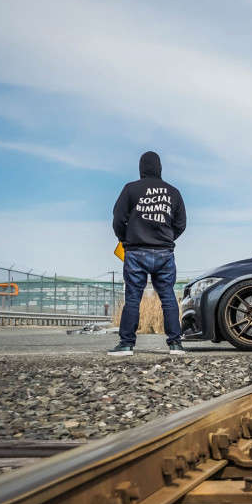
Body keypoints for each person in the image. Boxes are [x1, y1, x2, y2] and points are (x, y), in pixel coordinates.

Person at [109, 151, 187, 356]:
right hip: (164, 253)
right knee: (168, 297)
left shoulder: (131, 189)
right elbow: (181, 224)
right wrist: (167, 239)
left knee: (133, 298)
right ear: (160, 167)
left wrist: (125, 239)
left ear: (141, 168)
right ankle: (175, 344)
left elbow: (118, 219)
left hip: (136, 251)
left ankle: (126, 344)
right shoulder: (173, 192)